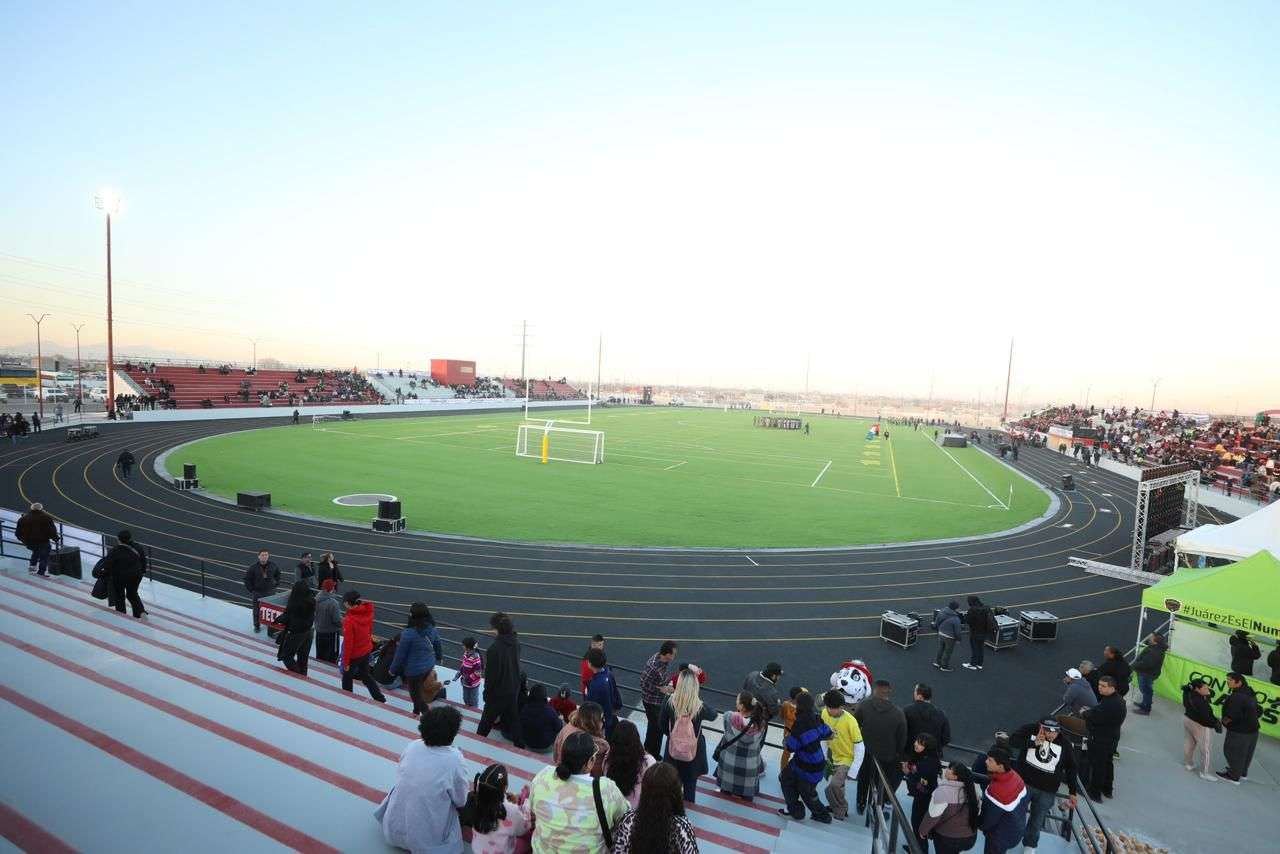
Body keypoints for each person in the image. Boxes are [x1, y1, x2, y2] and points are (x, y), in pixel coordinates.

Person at [376, 706, 468, 853]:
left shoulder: (413, 745)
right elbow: (461, 800)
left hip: (392, 830)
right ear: (453, 733)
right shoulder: (455, 759)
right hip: (425, 841)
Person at [529, 730, 628, 854]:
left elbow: (531, 810)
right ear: (588, 763)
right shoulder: (606, 789)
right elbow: (625, 817)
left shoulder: (544, 775)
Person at [1009, 719, 1078, 854]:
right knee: (1015, 814)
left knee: (1037, 820)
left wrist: (1073, 791)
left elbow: (1071, 768)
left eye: (1055, 732)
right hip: (1023, 784)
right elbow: (1012, 742)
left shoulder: (1065, 744)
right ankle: (1010, 836)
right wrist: (1032, 743)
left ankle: (1030, 846)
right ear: (1041, 727)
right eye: (1048, 731)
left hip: (1047, 790)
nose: (1052, 735)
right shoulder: (1029, 730)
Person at [611, 762, 700, 854]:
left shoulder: (628, 820)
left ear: (644, 791)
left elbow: (618, 850)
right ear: (676, 793)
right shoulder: (682, 827)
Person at [660, 670, 718, 803]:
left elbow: (662, 724)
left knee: (672, 786)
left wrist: (673, 736)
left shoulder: (669, 701)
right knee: (690, 786)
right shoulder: (699, 706)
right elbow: (714, 715)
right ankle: (688, 816)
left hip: (673, 750)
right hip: (693, 752)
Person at [778, 690, 833, 823]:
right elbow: (828, 732)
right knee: (806, 791)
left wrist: (786, 739)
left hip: (805, 766)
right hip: (816, 763)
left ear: (798, 705)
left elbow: (791, 747)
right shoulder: (816, 718)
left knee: (794, 785)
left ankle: (799, 812)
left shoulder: (799, 724)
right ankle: (820, 815)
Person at [854, 680, 908, 815]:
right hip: (886, 756)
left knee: (863, 777)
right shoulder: (898, 713)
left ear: (874, 690)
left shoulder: (864, 705)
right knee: (879, 782)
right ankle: (875, 805)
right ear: (888, 693)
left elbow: (855, 725)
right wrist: (897, 753)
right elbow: (902, 738)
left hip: (866, 751)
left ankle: (860, 803)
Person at [476, 611, 525, 748]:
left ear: (497, 629)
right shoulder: (516, 642)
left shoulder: (494, 649)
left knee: (486, 722)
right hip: (513, 688)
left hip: (498, 693)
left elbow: (491, 677)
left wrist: (487, 693)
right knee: (514, 719)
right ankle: (519, 746)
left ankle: (475, 743)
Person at [459, 764, 532, 854]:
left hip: (478, 849)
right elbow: (523, 829)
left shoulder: (472, 799)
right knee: (528, 841)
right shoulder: (511, 811)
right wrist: (526, 801)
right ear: (505, 787)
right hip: (503, 851)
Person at [390, 602, 443, 715]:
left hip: (414, 670)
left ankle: (428, 716)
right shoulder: (431, 628)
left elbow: (400, 655)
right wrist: (439, 656)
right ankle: (415, 711)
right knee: (418, 690)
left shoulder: (408, 634)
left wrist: (392, 670)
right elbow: (437, 643)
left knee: (415, 696)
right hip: (428, 665)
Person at [715, 690, 768, 801]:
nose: (736, 703)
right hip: (750, 768)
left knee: (724, 796)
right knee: (746, 799)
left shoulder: (728, 717)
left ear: (742, 706)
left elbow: (726, 730)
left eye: (737, 701)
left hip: (728, 764)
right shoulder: (761, 724)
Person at [819, 688, 863, 820]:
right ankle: (836, 808)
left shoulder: (851, 721)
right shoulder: (824, 713)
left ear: (842, 707)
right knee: (839, 786)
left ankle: (841, 809)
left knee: (834, 785)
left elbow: (860, 747)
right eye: (828, 707)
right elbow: (823, 737)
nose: (830, 711)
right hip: (833, 756)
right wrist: (824, 756)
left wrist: (853, 770)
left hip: (847, 758)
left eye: (833, 708)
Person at [918, 762, 980, 854]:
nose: (946, 769)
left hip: (948, 839)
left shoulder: (942, 792)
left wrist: (923, 831)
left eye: (950, 769)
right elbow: (978, 812)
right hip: (970, 838)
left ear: (955, 777)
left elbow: (932, 817)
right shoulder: (973, 791)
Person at [1079, 675, 1125, 800]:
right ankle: (1107, 789)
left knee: (1098, 766)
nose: (1100, 688)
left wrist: (1084, 713)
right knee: (1107, 764)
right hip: (1112, 738)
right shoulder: (1118, 700)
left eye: (1103, 686)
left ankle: (1095, 794)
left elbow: (1096, 717)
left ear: (1112, 687)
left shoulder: (1109, 703)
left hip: (1101, 739)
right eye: (1099, 685)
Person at [978, 747, 1028, 854]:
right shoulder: (1016, 777)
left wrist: (980, 826)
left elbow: (988, 819)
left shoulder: (996, 791)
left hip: (998, 838)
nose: (986, 761)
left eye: (990, 760)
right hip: (1015, 830)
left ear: (1000, 766)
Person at [340, 589, 386, 702]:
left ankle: (347, 699)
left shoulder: (349, 620)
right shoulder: (368, 612)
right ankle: (379, 698)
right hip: (365, 650)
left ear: (349, 604)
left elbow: (348, 643)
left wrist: (345, 662)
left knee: (347, 677)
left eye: (345, 602)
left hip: (354, 655)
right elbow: (369, 630)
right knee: (365, 675)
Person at [1218, 672, 1260, 784]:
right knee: (1246, 753)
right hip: (1253, 729)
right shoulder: (1250, 691)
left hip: (1240, 731)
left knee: (1231, 750)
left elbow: (1231, 716)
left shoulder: (1237, 697)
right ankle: (1242, 772)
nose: (1227, 682)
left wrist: (1221, 723)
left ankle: (1233, 776)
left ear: (1239, 682)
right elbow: (1258, 710)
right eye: (1227, 679)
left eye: (1230, 680)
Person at [605, 719, 657, 809]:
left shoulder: (608, 758)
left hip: (612, 808)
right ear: (637, 739)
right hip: (637, 811)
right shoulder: (648, 762)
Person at [640, 640, 679, 758]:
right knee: (657, 728)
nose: (674, 656)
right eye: (673, 654)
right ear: (667, 654)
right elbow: (643, 683)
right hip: (652, 702)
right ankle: (653, 754)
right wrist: (661, 689)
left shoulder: (663, 661)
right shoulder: (653, 666)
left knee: (653, 727)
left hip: (658, 700)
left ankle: (648, 751)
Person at [903, 733, 942, 844]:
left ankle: (919, 850)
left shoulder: (927, 764)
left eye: (920, 744)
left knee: (918, 826)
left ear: (927, 748)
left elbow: (923, 788)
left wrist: (908, 774)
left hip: (925, 800)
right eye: (917, 741)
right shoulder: (927, 759)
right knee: (917, 824)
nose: (915, 744)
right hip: (923, 798)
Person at [100, 530, 148, 618]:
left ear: (119, 540)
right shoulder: (138, 547)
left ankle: (122, 616)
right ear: (130, 538)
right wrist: (143, 571)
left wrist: (105, 574)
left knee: (119, 596)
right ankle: (140, 613)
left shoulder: (115, 550)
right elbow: (143, 561)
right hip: (136, 576)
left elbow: (107, 565)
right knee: (132, 594)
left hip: (119, 577)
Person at [555, 702, 610, 776]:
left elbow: (556, 752)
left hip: (561, 770)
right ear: (593, 722)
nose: (604, 721)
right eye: (602, 718)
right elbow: (598, 771)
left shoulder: (567, 728)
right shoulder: (601, 745)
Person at [1182, 678, 1221, 780]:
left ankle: (1188, 763)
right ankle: (1204, 772)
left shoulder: (1187, 692)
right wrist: (1215, 724)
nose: (1207, 690)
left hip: (1187, 719)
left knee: (1189, 743)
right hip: (1200, 725)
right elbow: (1207, 716)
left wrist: (1205, 696)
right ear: (1197, 689)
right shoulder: (1201, 701)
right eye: (1205, 688)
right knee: (1205, 749)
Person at [276, 579, 315, 675]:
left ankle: (298, 676)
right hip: (309, 631)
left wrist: (278, 619)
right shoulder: (311, 600)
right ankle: (303, 677)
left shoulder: (295, 602)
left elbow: (288, 616)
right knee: (303, 658)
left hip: (296, 632)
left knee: (286, 656)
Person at [584, 647, 624, 738]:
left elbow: (591, 706)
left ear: (590, 663)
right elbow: (615, 692)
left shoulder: (595, 685)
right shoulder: (608, 674)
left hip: (602, 722)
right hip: (610, 716)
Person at [16, 502, 60, 576]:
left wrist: (24, 541)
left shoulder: (23, 518)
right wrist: (56, 538)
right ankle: (41, 572)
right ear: (41, 509)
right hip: (43, 541)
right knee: (44, 557)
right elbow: (51, 530)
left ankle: (32, 570)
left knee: (35, 553)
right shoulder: (47, 518)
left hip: (30, 542)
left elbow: (18, 533)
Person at [904, 682, 952, 748]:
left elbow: (900, 731)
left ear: (919, 696)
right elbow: (946, 739)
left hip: (909, 753)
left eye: (915, 691)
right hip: (931, 755)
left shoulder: (907, 710)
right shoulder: (941, 714)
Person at [243, 550, 280, 633]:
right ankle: (257, 626)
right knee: (256, 609)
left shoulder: (273, 565)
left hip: (270, 592)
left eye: (266, 555)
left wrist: (275, 584)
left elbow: (278, 574)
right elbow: (247, 579)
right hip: (258, 592)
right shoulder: (253, 567)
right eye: (262, 555)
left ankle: (270, 625)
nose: (264, 556)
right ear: (258, 556)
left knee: (270, 610)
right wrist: (252, 590)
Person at [520, 685, 564, 752]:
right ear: (544, 696)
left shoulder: (524, 708)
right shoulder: (550, 711)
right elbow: (559, 727)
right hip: (545, 746)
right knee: (561, 724)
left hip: (527, 743)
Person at [1130, 634, 1166, 715]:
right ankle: (1144, 704)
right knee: (1146, 690)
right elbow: (1147, 642)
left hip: (1146, 674)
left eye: (1151, 638)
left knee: (1146, 691)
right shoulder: (1155, 647)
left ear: (1155, 642)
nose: (1149, 638)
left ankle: (1146, 709)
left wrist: (1134, 665)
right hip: (1148, 673)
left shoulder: (1154, 651)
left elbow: (1146, 664)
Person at [313, 579, 342, 663]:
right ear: (331, 589)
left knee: (320, 655)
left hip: (319, 631)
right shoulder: (333, 603)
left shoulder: (317, 598)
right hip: (331, 633)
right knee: (331, 656)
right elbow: (336, 620)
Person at [962, 596, 992, 671]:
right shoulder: (987, 608)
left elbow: (968, 621)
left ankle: (973, 664)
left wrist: (965, 616)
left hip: (975, 632)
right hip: (984, 632)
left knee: (974, 648)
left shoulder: (972, 610)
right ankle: (979, 664)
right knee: (981, 648)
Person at [934, 601, 963, 672]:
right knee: (948, 652)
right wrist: (958, 639)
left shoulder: (942, 612)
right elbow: (957, 632)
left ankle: (937, 662)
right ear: (955, 609)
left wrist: (939, 630)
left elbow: (936, 622)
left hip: (941, 633)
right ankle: (944, 666)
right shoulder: (956, 619)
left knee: (941, 648)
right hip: (950, 637)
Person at [459, 636, 484, 707]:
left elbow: (478, 672)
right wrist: (460, 673)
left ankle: (474, 711)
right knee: (465, 698)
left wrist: (468, 679)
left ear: (468, 647)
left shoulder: (476, 658)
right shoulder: (465, 654)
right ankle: (467, 707)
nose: (462, 646)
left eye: (463, 645)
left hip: (473, 684)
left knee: (473, 700)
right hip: (465, 682)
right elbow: (463, 664)